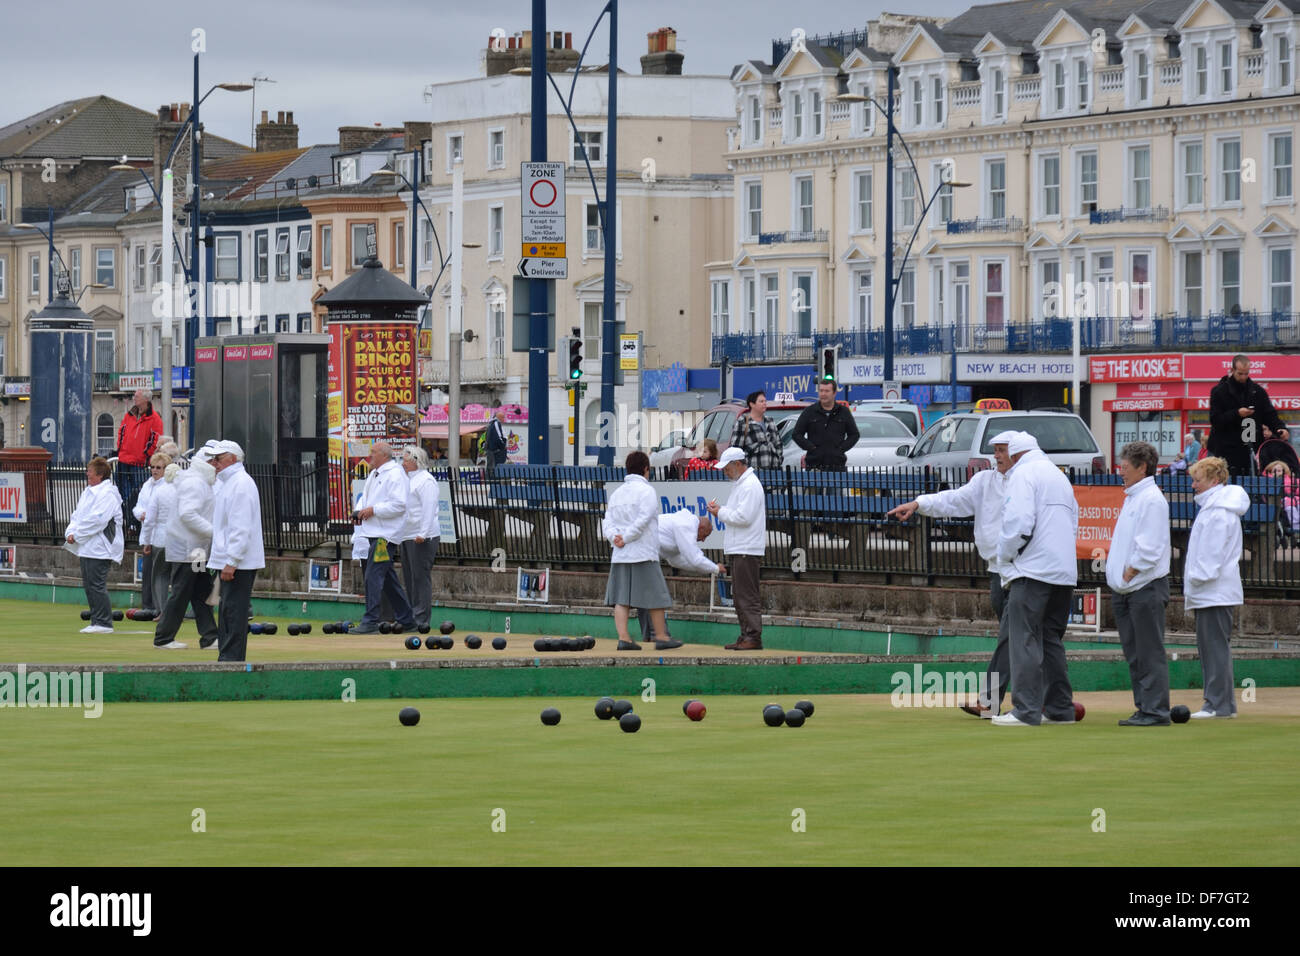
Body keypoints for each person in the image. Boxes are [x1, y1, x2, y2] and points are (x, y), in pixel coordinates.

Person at [888, 430, 1018, 717]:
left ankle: (992, 701)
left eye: (1001, 450)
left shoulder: (1028, 483)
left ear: (1017, 453)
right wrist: (918, 504)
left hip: (1024, 573)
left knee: (1012, 637)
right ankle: (1052, 696)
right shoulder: (985, 481)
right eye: (994, 450)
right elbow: (955, 500)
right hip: (997, 572)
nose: (995, 455)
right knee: (1023, 638)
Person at [991, 432, 1079, 727]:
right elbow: (1073, 522)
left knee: (1024, 638)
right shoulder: (1059, 477)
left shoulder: (1023, 474)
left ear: (1016, 455)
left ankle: (1026, 710)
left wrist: (1004, 557)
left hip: (1032, 570)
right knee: (1050, 639)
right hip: (1063, 571)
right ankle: (1059, 709)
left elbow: (1018, 523)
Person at [1107, 441, 1172, 727]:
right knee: (1135, 654)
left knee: (1149, 652)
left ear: (1141, 467)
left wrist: (1129, 573)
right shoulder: (1133, 497)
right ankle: (1144, 708)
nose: (1121, 472)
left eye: (1124, 467)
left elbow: (1150, 546)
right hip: (1127, 591)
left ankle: (1156, 711)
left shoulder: (1152, 499)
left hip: (1143, 589)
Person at [1184, 457, 1250, 719]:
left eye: (1197, 480)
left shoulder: (1218, 513)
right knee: (1211, 649)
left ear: (1214, 480)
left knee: (1214, 649)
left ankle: (1218, 705)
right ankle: (1219, 704)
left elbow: (1210, 558)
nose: (1193, 485)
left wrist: (1195, 582)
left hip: (1214, 592)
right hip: (1211, 592)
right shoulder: (1212, 510)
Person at [602, 450, 671, 651]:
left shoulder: (617, 493)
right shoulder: (647, 491)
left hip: (621, 553)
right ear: (646, 469)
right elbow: (644, 519)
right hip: (643, 552)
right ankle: (662, 637)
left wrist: (615, 537)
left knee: (621, 599)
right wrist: (627, 537)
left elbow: (608, 521)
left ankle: (624, 638)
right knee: (656, 596)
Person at [154, 443, 220, 650]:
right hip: (188, 549)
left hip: (195, 549)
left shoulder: (198, 480)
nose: (218, 466)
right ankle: (163, 638)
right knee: (182, 592)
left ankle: (209, 637)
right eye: (216, 461)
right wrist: (215, 533)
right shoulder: (195, 482)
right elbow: (188, 514)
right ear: (208, 462)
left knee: (201, 590)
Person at [207, 440, 264, 662]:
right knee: (227, 612)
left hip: (239, 563)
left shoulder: (241, 484)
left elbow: (241, 527)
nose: (214, 463)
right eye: (213, 459)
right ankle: (227, 657)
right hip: (231, 560)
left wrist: (232, 560)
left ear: (232, 458)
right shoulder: (229, 483)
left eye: (218, 459)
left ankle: (231, 660)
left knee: (234, 612)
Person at [353, 441, 417, 634]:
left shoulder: (395, 474)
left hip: (385, 535)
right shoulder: (374, 473)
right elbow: (369, 499)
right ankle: (407, 619)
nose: (370, 456)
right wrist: (360, 512)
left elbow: (399, 505)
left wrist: (373, 510)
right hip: (375, 532)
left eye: (373, 452)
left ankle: (371, 620)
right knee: (387, 578)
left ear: (384, 455)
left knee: (373, 574)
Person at [707, 446, 767, 650]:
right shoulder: (743, 484)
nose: (725, 471)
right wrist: (722, 512)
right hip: (742, 547)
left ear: (738, 464)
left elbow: (743, 517)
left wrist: (720, 512)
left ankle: (752, 636)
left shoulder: (749, 485)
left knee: (746, 595)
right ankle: (746, 635)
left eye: (727, 468)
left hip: (746, 548)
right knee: (741, 595)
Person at [636, 510, 722, 649]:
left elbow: (677, 561)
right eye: (704, 535)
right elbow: (694, 557)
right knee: (657, 593)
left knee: (646, 594)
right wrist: (715, 568)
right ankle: (661, 636)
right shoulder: (687, 525)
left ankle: (650, 636)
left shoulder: (681, 524)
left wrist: (709, 568)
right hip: (643, 552)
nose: (703, 540)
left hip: (641, 551)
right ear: (700, 528)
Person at [65, 457, 125, 634]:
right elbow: (77, 516)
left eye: (89, 471)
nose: (87, 474)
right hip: (87, 546)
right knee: (89, 585)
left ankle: (104, 623)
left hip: (101, 547)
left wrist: (77, 535)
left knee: (96, 584)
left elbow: (98, 520)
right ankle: (96, 620)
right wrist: (70, 532)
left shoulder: (108, 494)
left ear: (99, 474)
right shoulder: (88, 492)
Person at [1207, 354, 1290, 476]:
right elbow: (1215, 419)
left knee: (1250, 482)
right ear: (1232, 370)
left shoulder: (1257, 391)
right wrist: (1236, 413)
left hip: (1250, 445)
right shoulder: (1219, 391)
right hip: (1225, 447)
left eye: (1246, 373)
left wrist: (1280, 428)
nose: (1243, 377)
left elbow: (1270, 414)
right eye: (1240, 373)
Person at [399, 445, 440, 631]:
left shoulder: (426, 480)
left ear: (416, 461)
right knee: (409, 578)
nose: (403, 463)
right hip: (407, 534)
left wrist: (423, 533)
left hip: (422, 536)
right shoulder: (406, 480)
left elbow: (428, 508)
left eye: (406, 460)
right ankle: (411, 616)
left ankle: (421, 618)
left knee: (420, 578)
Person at [115, 388, 164, 531]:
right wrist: (120, 447)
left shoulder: (155, 419)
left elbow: (155, 439)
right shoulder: (129, 415)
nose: (134, 398)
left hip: (139, 462)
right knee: (123, 493)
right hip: (124, 459)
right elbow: (121, 431)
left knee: (137, 493)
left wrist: (145, 454)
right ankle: (130, 521)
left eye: (137, 396)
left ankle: (133, 524)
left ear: (146, 400)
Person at [134, 451, 174, 614]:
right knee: (149, 574)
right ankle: (149, 606)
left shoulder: (167, 487)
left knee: (161, 575)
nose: (154, 470)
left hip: (161, 536)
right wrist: (140, 514)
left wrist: (148, 516)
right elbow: (137, 507)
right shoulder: (147, 485)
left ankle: (159, 609)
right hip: (148, 533)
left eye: (158, 467)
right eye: (152, 467)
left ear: (166, 469)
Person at [791, 379, 860, 471]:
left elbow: (854, 434)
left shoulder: (843, 412)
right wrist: (812, 448)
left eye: (827, 391)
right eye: (821, 391)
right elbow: (796, 434)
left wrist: (841, 449)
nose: (823, 394)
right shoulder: (809, 411)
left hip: (837, 466)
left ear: (834, 393)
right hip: (814, 466)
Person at [729, 391, 783, 470]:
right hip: (752, 471)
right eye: (761, 401)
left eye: (765, 401)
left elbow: (778, 444)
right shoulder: (743, 422)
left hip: (773, 471)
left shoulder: (770, 421)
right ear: (752, 404)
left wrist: (778, 460)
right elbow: (736, 448)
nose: (764, 403)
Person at [1263, 459, 1299, 532]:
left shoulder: (1291, 479)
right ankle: (1296, 526)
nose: (1277, 473)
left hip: (1293, 498)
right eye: (1274, 471)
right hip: (1280, 500)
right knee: (1290, 507)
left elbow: (1296, 490)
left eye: (1279, 471)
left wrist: (1293, 481)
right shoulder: (1268, 480)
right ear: (1270, 472)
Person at [486, 408, 508, 473]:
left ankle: (491, 481)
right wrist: (503, 446)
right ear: (499, 417)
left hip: (493, 451)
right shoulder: (496, 423)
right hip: (496, 452)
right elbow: (498, 437)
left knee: (492, 468)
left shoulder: (491, 424)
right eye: (503, 417)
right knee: (495, 470)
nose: (504, 419)